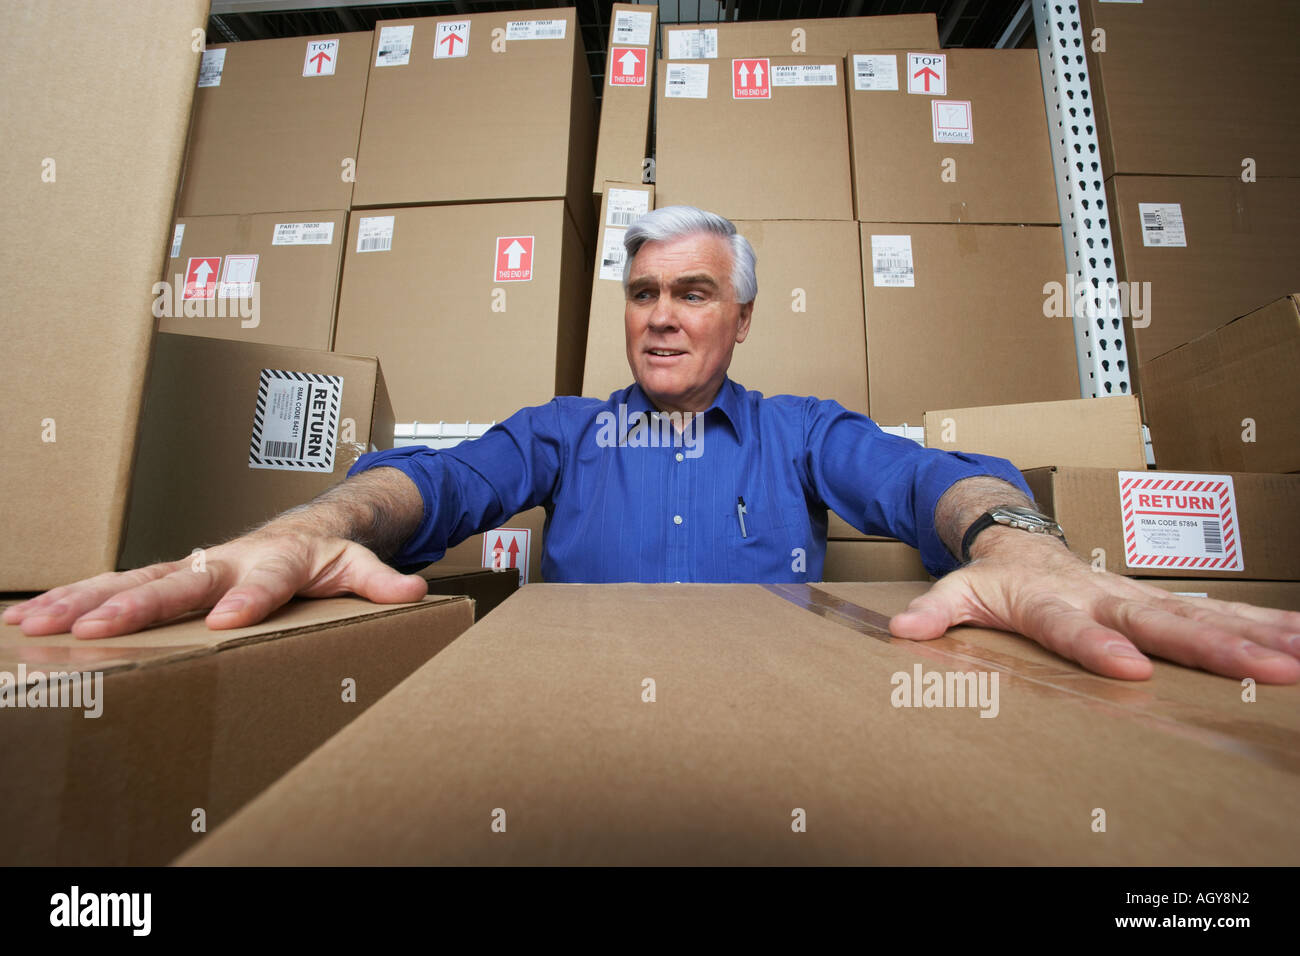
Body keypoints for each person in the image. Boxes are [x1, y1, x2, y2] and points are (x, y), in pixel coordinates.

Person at [6, 207, 1298, 685]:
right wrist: (316, 526)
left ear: (741, 312)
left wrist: (1024, 545)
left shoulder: (799, 435)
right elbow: (448, 483)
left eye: (691, 294)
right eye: (642, 295)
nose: (662, 317)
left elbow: (921, 481)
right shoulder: (569, 433)